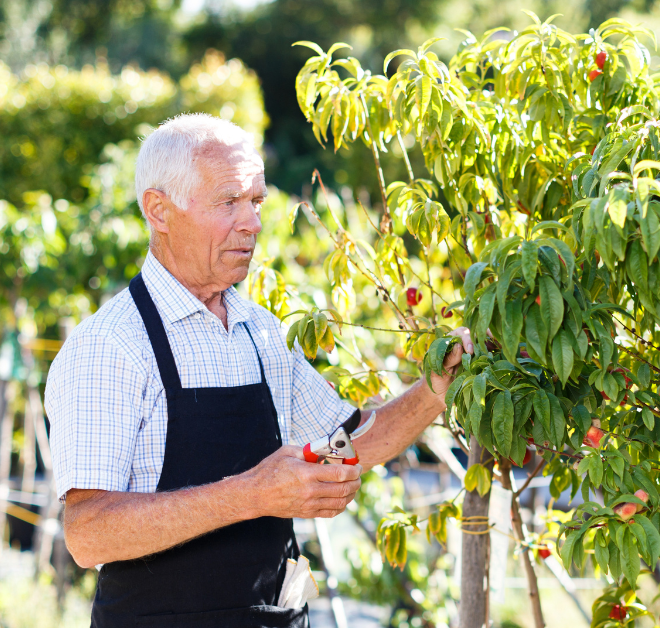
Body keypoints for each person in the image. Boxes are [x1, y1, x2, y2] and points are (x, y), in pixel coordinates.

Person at [44, 113, 473, 627]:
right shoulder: (111, 345)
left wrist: (435, 388)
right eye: (229, 202)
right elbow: (89, 533)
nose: (251, 222)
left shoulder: (261, 330)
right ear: (158, 210)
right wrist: (252, 493)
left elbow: (348, 444)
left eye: (255, 201)